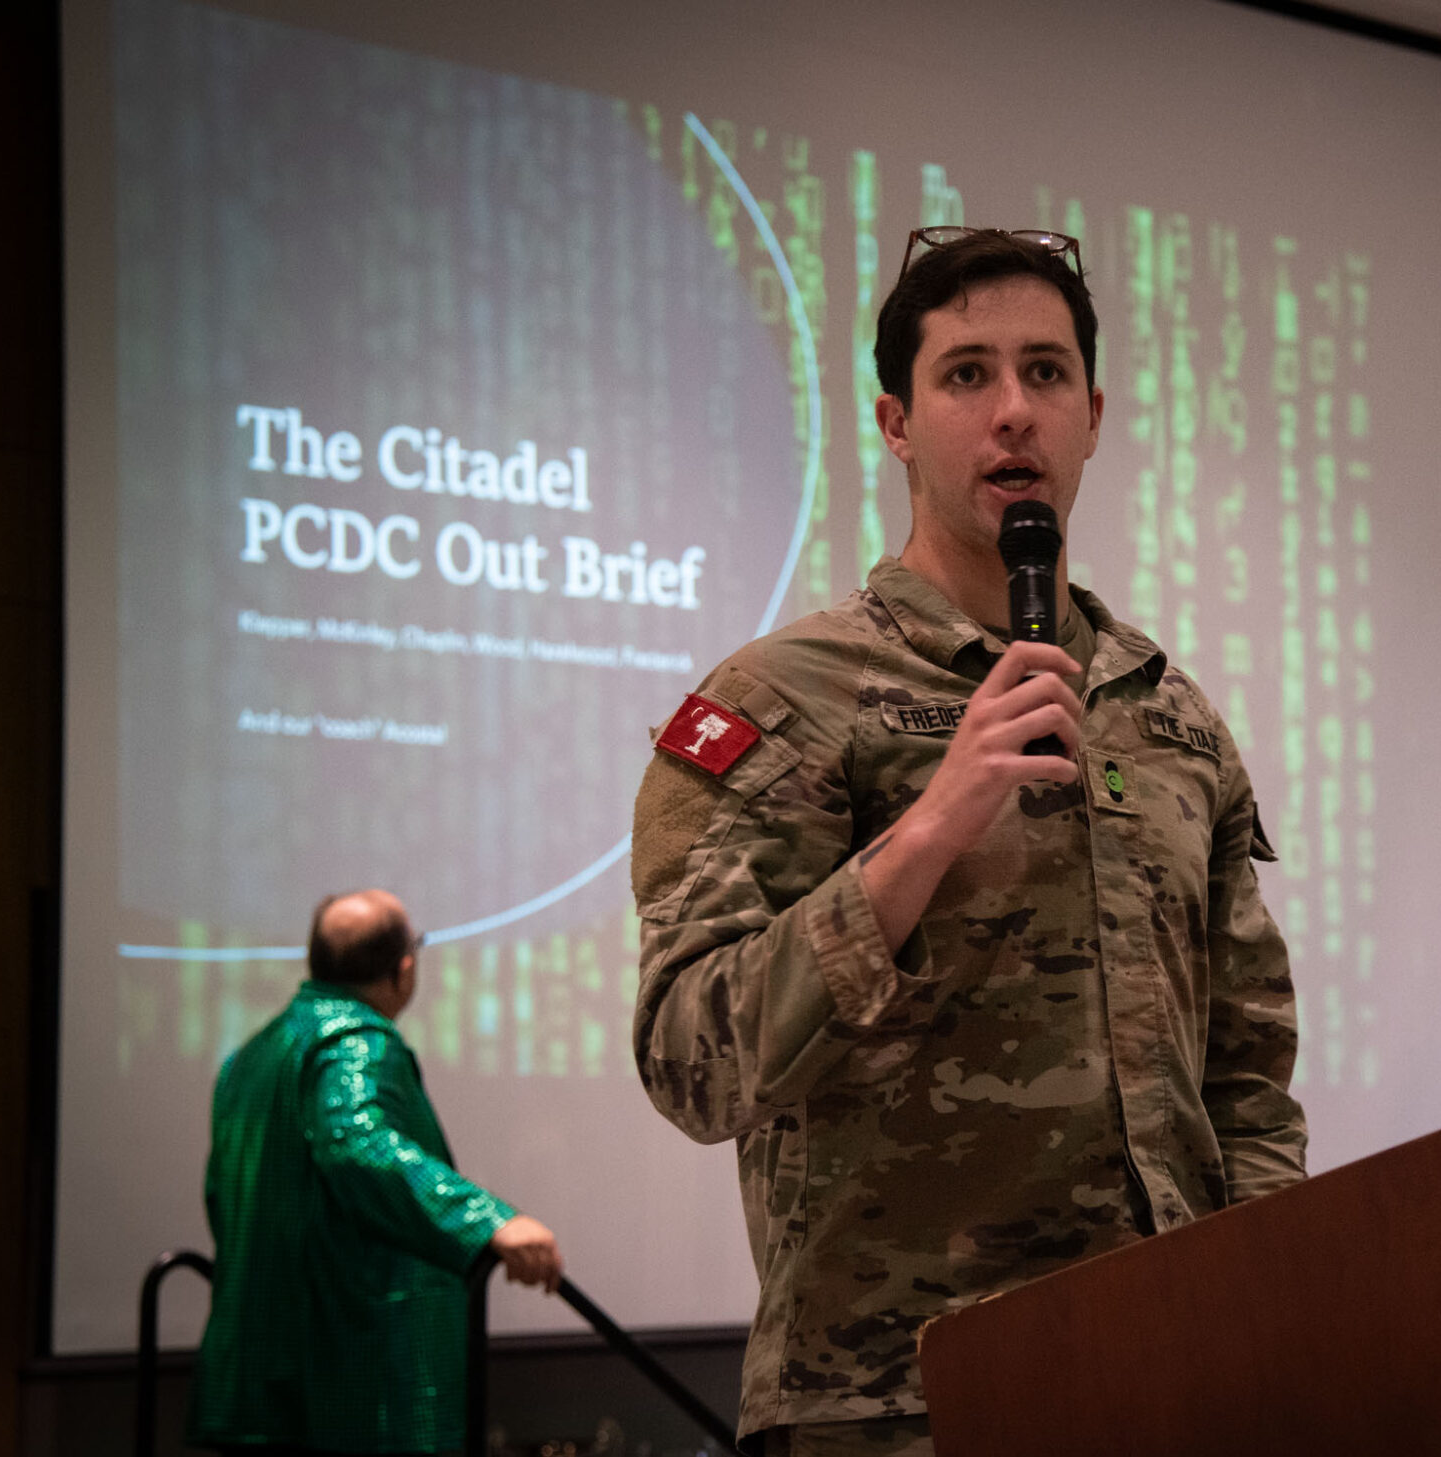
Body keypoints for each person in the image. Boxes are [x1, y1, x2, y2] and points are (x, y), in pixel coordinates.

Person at [631, 227, 1306, 1456]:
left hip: (1171, 1379)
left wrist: (1267, 1319)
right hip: (896, 1404)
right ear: (895, 422)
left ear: (1092, 416)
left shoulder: (1169, 714)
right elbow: (691, 1060)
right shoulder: (784, 700)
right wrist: (929, 827)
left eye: (1046, 374)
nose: (1012, 414)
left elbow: (1248, 1079)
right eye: (965, 375)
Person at [189, 888, 564, 1456]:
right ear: (404, 968)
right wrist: (488, 1222)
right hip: (344, 1379)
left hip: (257, 1373)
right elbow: (356, 1141)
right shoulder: (355, 1042)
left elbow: (222, 1196)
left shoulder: (250, 1057)